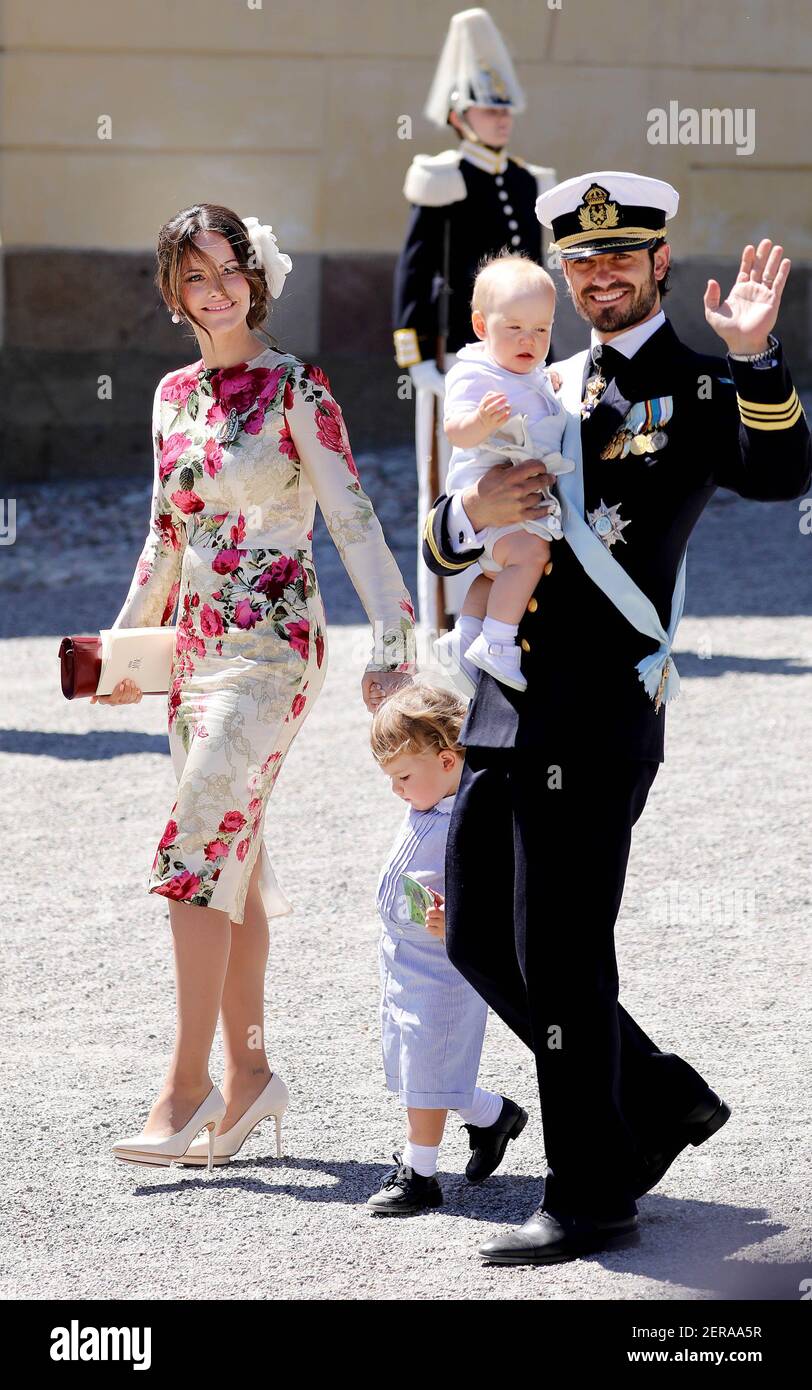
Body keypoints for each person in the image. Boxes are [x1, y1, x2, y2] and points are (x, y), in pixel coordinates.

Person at [421, 169, 812, 1263]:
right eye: (580, 261)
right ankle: (654, 1101)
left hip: (597, 715)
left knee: (562, 952)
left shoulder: (693, 387)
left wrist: (752, 355)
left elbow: (779, 474)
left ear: (657, 267)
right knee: (473, 933)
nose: (598, 275)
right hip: (504, 703)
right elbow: (443, 541)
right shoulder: (534, 381)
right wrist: (467, 512)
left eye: (620, 258)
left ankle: (591, 1187)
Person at [96, 203, 416, 1171]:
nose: (215, 289)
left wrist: (392, 642)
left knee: (193, 849)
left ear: (256, 276)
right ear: (172, 291)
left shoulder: (295, 388)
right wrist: (122, 648)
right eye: (194, 276)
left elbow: (352, 518)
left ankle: (185, 1084)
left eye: (228, 270)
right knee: (231, 864)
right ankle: (251, 1081)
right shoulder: (171, 394)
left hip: (273, 650)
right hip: (192, 654)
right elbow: (166, 532)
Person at [392, 6, 557, 632]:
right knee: (453, 478)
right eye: (490, 109)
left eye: (506, 109)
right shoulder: (444, 176)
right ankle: (444, 617)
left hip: (519, 362)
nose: (502, 119)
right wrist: (416, 358)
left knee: (524, 476)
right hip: (459, 361)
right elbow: (415, 270)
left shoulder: (525, 180)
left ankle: (513, 614)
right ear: (461, 115)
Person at [367, 681, 527, 1213]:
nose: (397, 790)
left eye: (403, 777)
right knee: (422, 1066)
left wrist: (458, 918)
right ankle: (494, 1116)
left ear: (446, 758)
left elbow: (501, 888)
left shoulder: (473, 816)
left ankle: (420, 1175)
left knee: (426, 1067)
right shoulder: (429, 800)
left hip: (446, 970)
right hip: (405, 962)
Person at [435, 252, 575, 694]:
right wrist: (481, 421)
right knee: (529, 556)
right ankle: (497, 643)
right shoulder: (475, 372)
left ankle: (464, 638)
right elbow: (454, 430)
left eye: (541, 329)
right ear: (481, 327)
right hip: (490, 502)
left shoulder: (538, 374)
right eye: (514, 328)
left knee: (492, 576)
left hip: (525, 506)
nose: (528, 340)